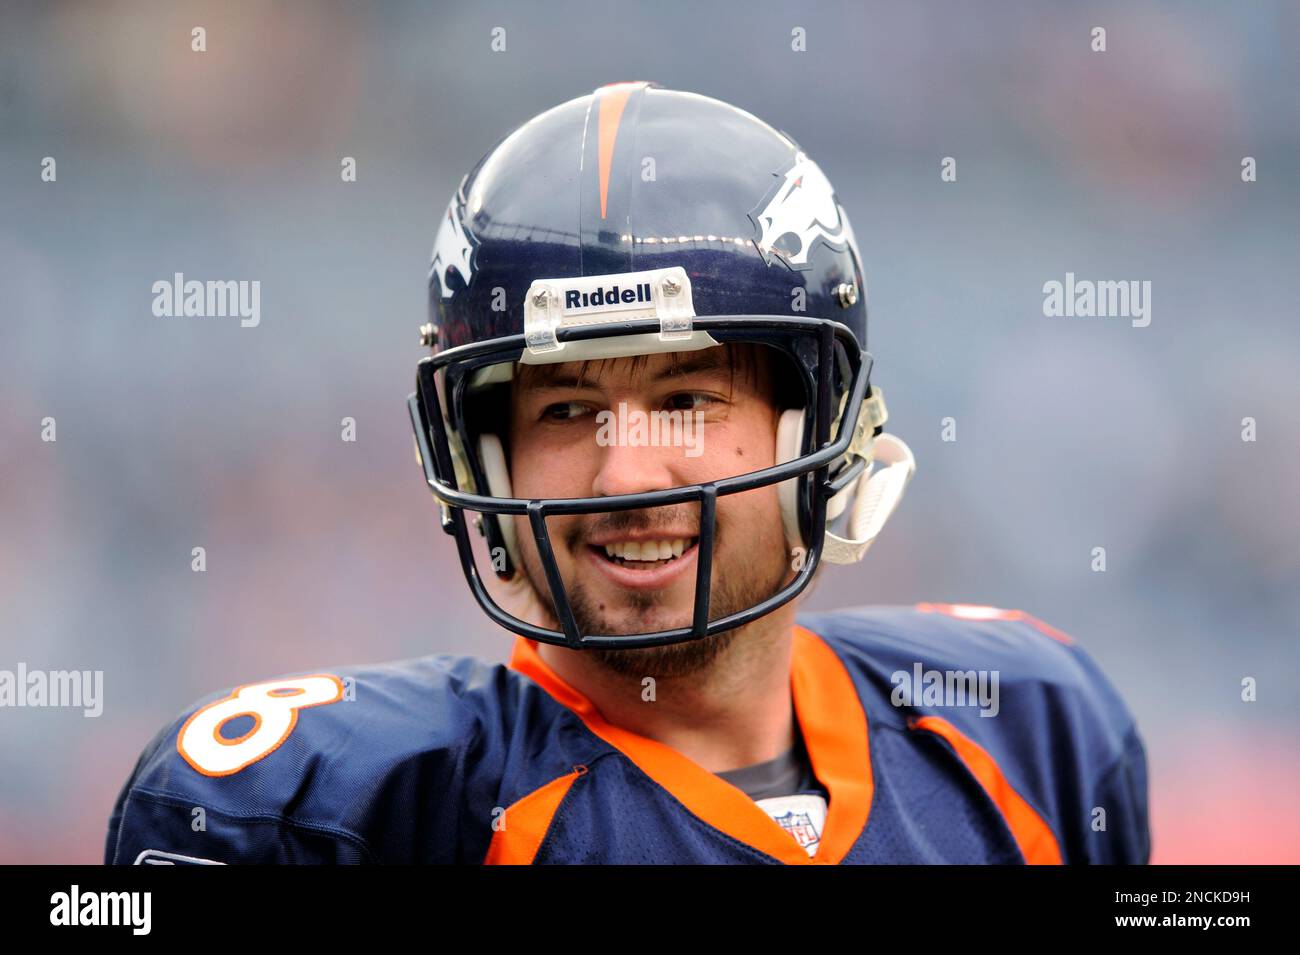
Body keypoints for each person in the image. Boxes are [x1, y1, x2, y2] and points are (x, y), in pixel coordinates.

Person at [105, 82, 1149, 865]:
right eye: (567, 410)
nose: (626, 469)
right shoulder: (335, 809)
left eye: (690, 401)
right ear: (485, 452)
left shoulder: (1023, 730)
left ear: (815, 431)